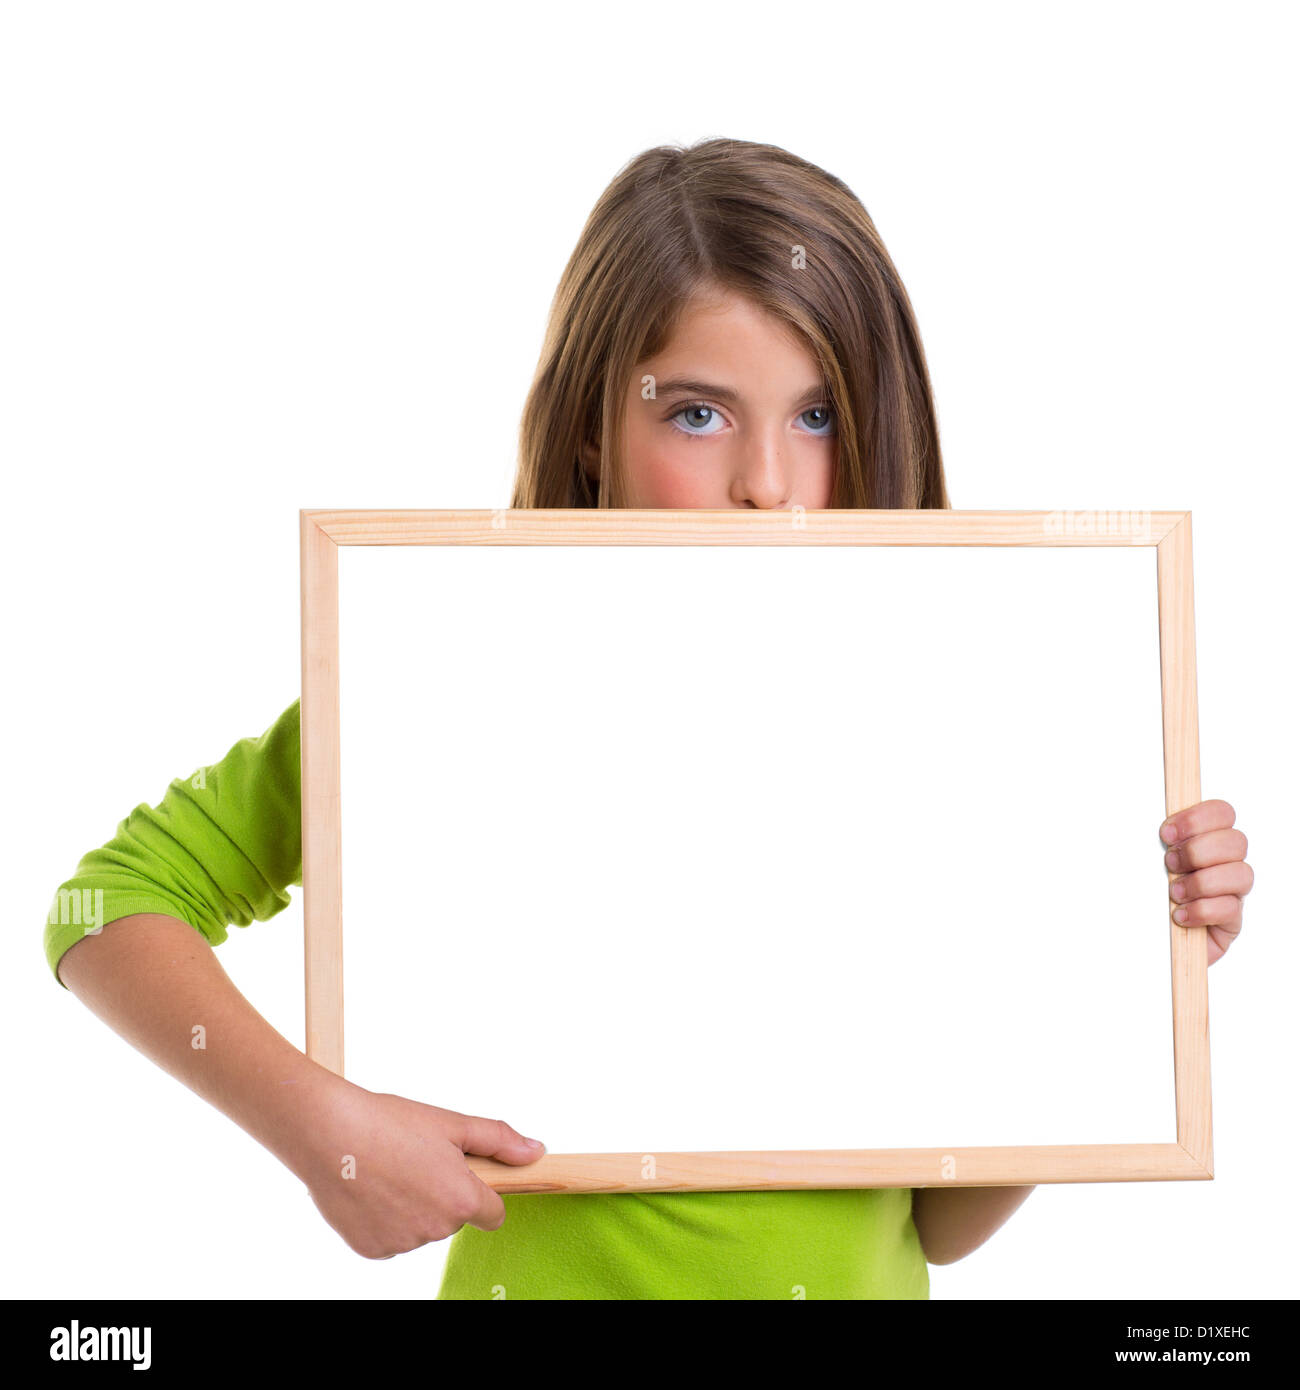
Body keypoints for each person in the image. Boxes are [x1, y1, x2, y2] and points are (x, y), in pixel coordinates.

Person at [44, 138, 1254, 1300]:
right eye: (696, 413)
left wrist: (1117, 977)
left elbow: (941, 1224)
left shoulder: (940, 744)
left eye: (819, 415)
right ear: (590, 424)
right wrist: (325, 1131)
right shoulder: (446, 687)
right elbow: (102, 904)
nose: (767, 484)